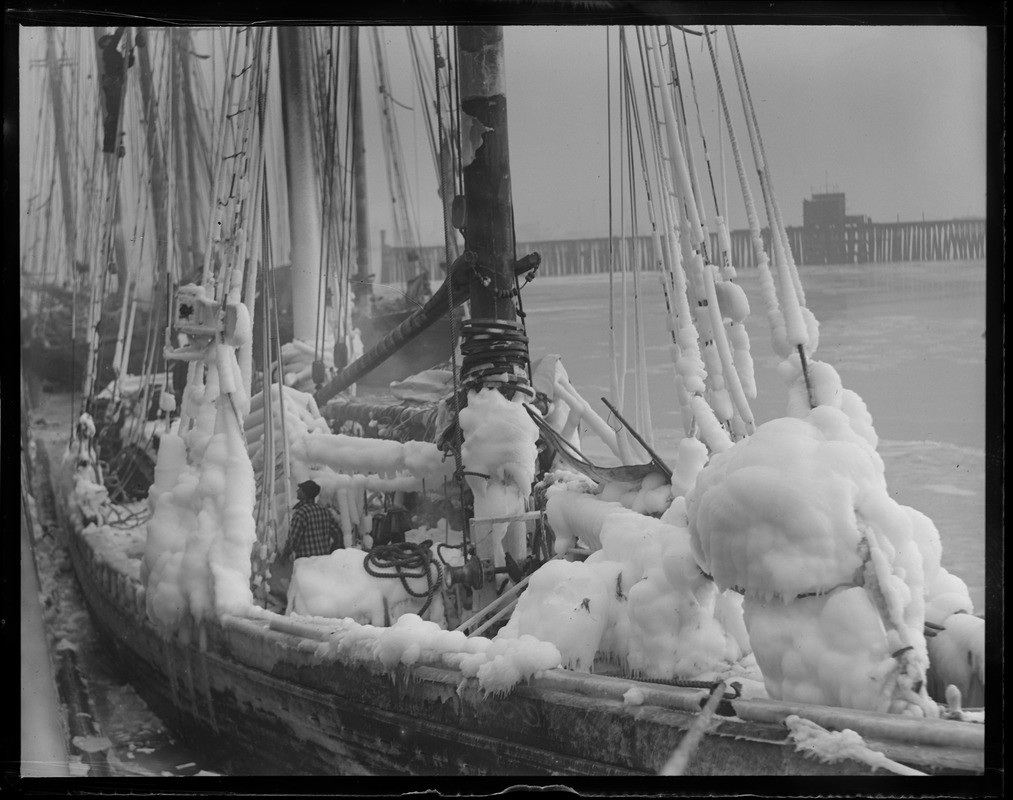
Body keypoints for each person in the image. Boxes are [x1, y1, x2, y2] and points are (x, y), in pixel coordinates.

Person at [280, 480, 342, 561]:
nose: (297, 490)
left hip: (306, 563)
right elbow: (337, 534)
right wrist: (332, 552)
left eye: (300, 489)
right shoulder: (324, 511)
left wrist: (284, 555)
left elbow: (293, 540)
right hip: (323, 561)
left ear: (305, 494)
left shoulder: (300, 513)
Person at [98, 27, 134, 154]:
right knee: (114, 111)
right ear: (104, 43)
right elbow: (117, 37)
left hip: (112, 82)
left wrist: (131, 57)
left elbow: (125, 65)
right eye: (108, 40)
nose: (110, 40)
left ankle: (110, 144)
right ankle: (111, 143)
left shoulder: (112, 53)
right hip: (113, 81)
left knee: (113, 112)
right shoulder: (109, 50)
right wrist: (123, 27)